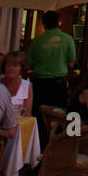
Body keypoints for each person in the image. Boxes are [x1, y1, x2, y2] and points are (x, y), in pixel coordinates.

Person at [26, 11, 76, 140]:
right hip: (58, 84)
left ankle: (39, 144)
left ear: (43, 24)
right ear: (58, 23)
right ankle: (57, 143)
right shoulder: (67, 39)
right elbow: (71, 64)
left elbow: (28, 64)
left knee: (39, 116)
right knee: (59, 115)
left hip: (39, 84)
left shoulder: (36, 41)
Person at [0, 51, 33, 117]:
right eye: (8, 65)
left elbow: (27, 115)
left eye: (15, 65)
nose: (11, 68)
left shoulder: (27, 86)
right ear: (4, 67)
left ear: (21, 68)